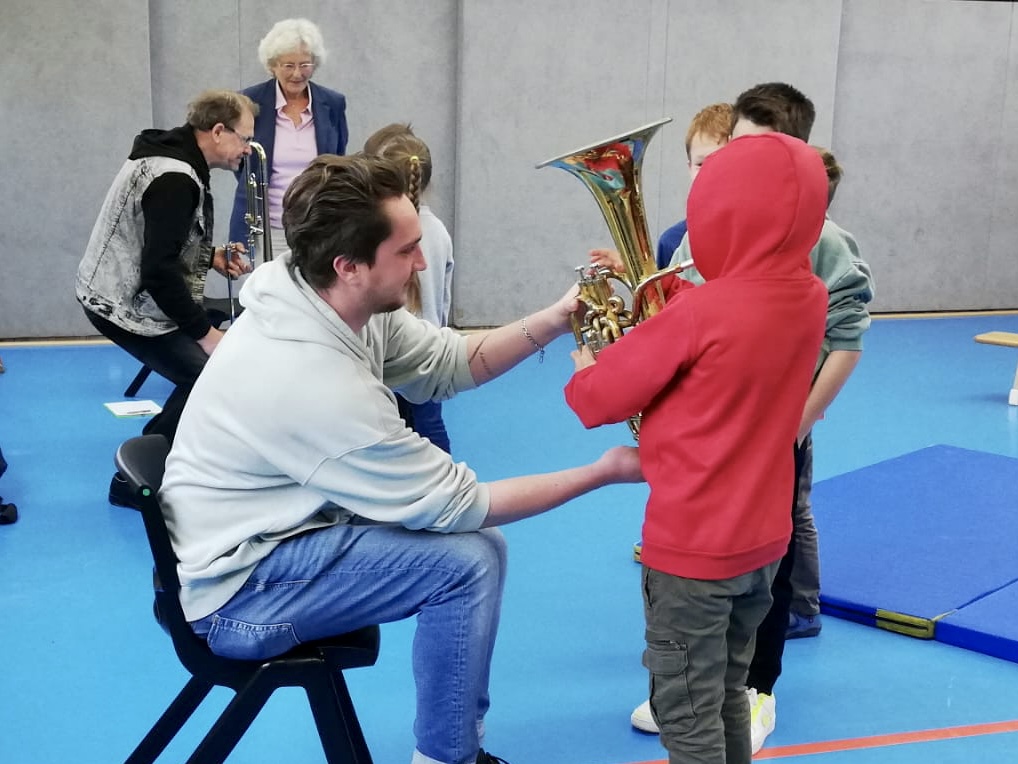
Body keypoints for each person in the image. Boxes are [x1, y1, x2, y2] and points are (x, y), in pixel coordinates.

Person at [160, 153, 645, 764]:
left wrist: (552, 320)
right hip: (239, 598)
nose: (422, 262)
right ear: (350, 266)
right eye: (408, 250)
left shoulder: (326, 297)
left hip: (270, 538)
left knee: (481, 549)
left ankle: (450, 751)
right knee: (467, 561)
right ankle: (446, 758)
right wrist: (605, 472)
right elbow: (464, 503)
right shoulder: (311, 379)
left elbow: (447, 363)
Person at [565, 132, 829, 764]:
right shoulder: (809, 298)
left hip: (693, 552)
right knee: (727, 696)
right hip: (764, 544)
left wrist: (584, 364)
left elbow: (597, 400)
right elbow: (729, 345)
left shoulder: (700, 314)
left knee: (685, 718)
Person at [631, 83, 874, 755]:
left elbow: (848, 336)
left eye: (733, 157)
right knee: (711, 567)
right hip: (706, 435)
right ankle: (699, 678)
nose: (717, 175)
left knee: (775, 539)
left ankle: (757, 686)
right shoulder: (682, 237)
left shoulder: (822, 241)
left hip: (773, 423)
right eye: (706, 162)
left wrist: (798, 420)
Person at [75, 89, 256, 508]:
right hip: (122, 304)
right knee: (208, 375)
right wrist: (205, 334)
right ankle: (135, 479)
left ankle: (171, 457)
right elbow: (157, 271)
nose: (246, 149)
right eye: (244, 139)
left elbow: (157, 236)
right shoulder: (175, 179)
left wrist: (208, 256)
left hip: (121, 290)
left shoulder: (169, 154)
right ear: (217, 131)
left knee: (204, 370)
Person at [364, 122, 455, 452]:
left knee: (390, 427)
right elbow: (443, 297)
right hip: (427, 345)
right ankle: (444, 482)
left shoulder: (377, 231)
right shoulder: (439, 231)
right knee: (430, 422)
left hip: (390, 349)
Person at [229, 18, 348, 262]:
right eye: (288, 65)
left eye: (305, 64)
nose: (297, 73)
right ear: (272, 66)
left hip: (317, 227)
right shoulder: (249, 101)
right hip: (265, 228)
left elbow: (339, 160)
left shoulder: (332, 103)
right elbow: (239, 161)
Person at [654, 103, 733, 269]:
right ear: (689, 168)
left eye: (722, 162)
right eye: (701, 164)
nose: (710, 173)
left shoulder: (760, 238)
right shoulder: (671, 241)